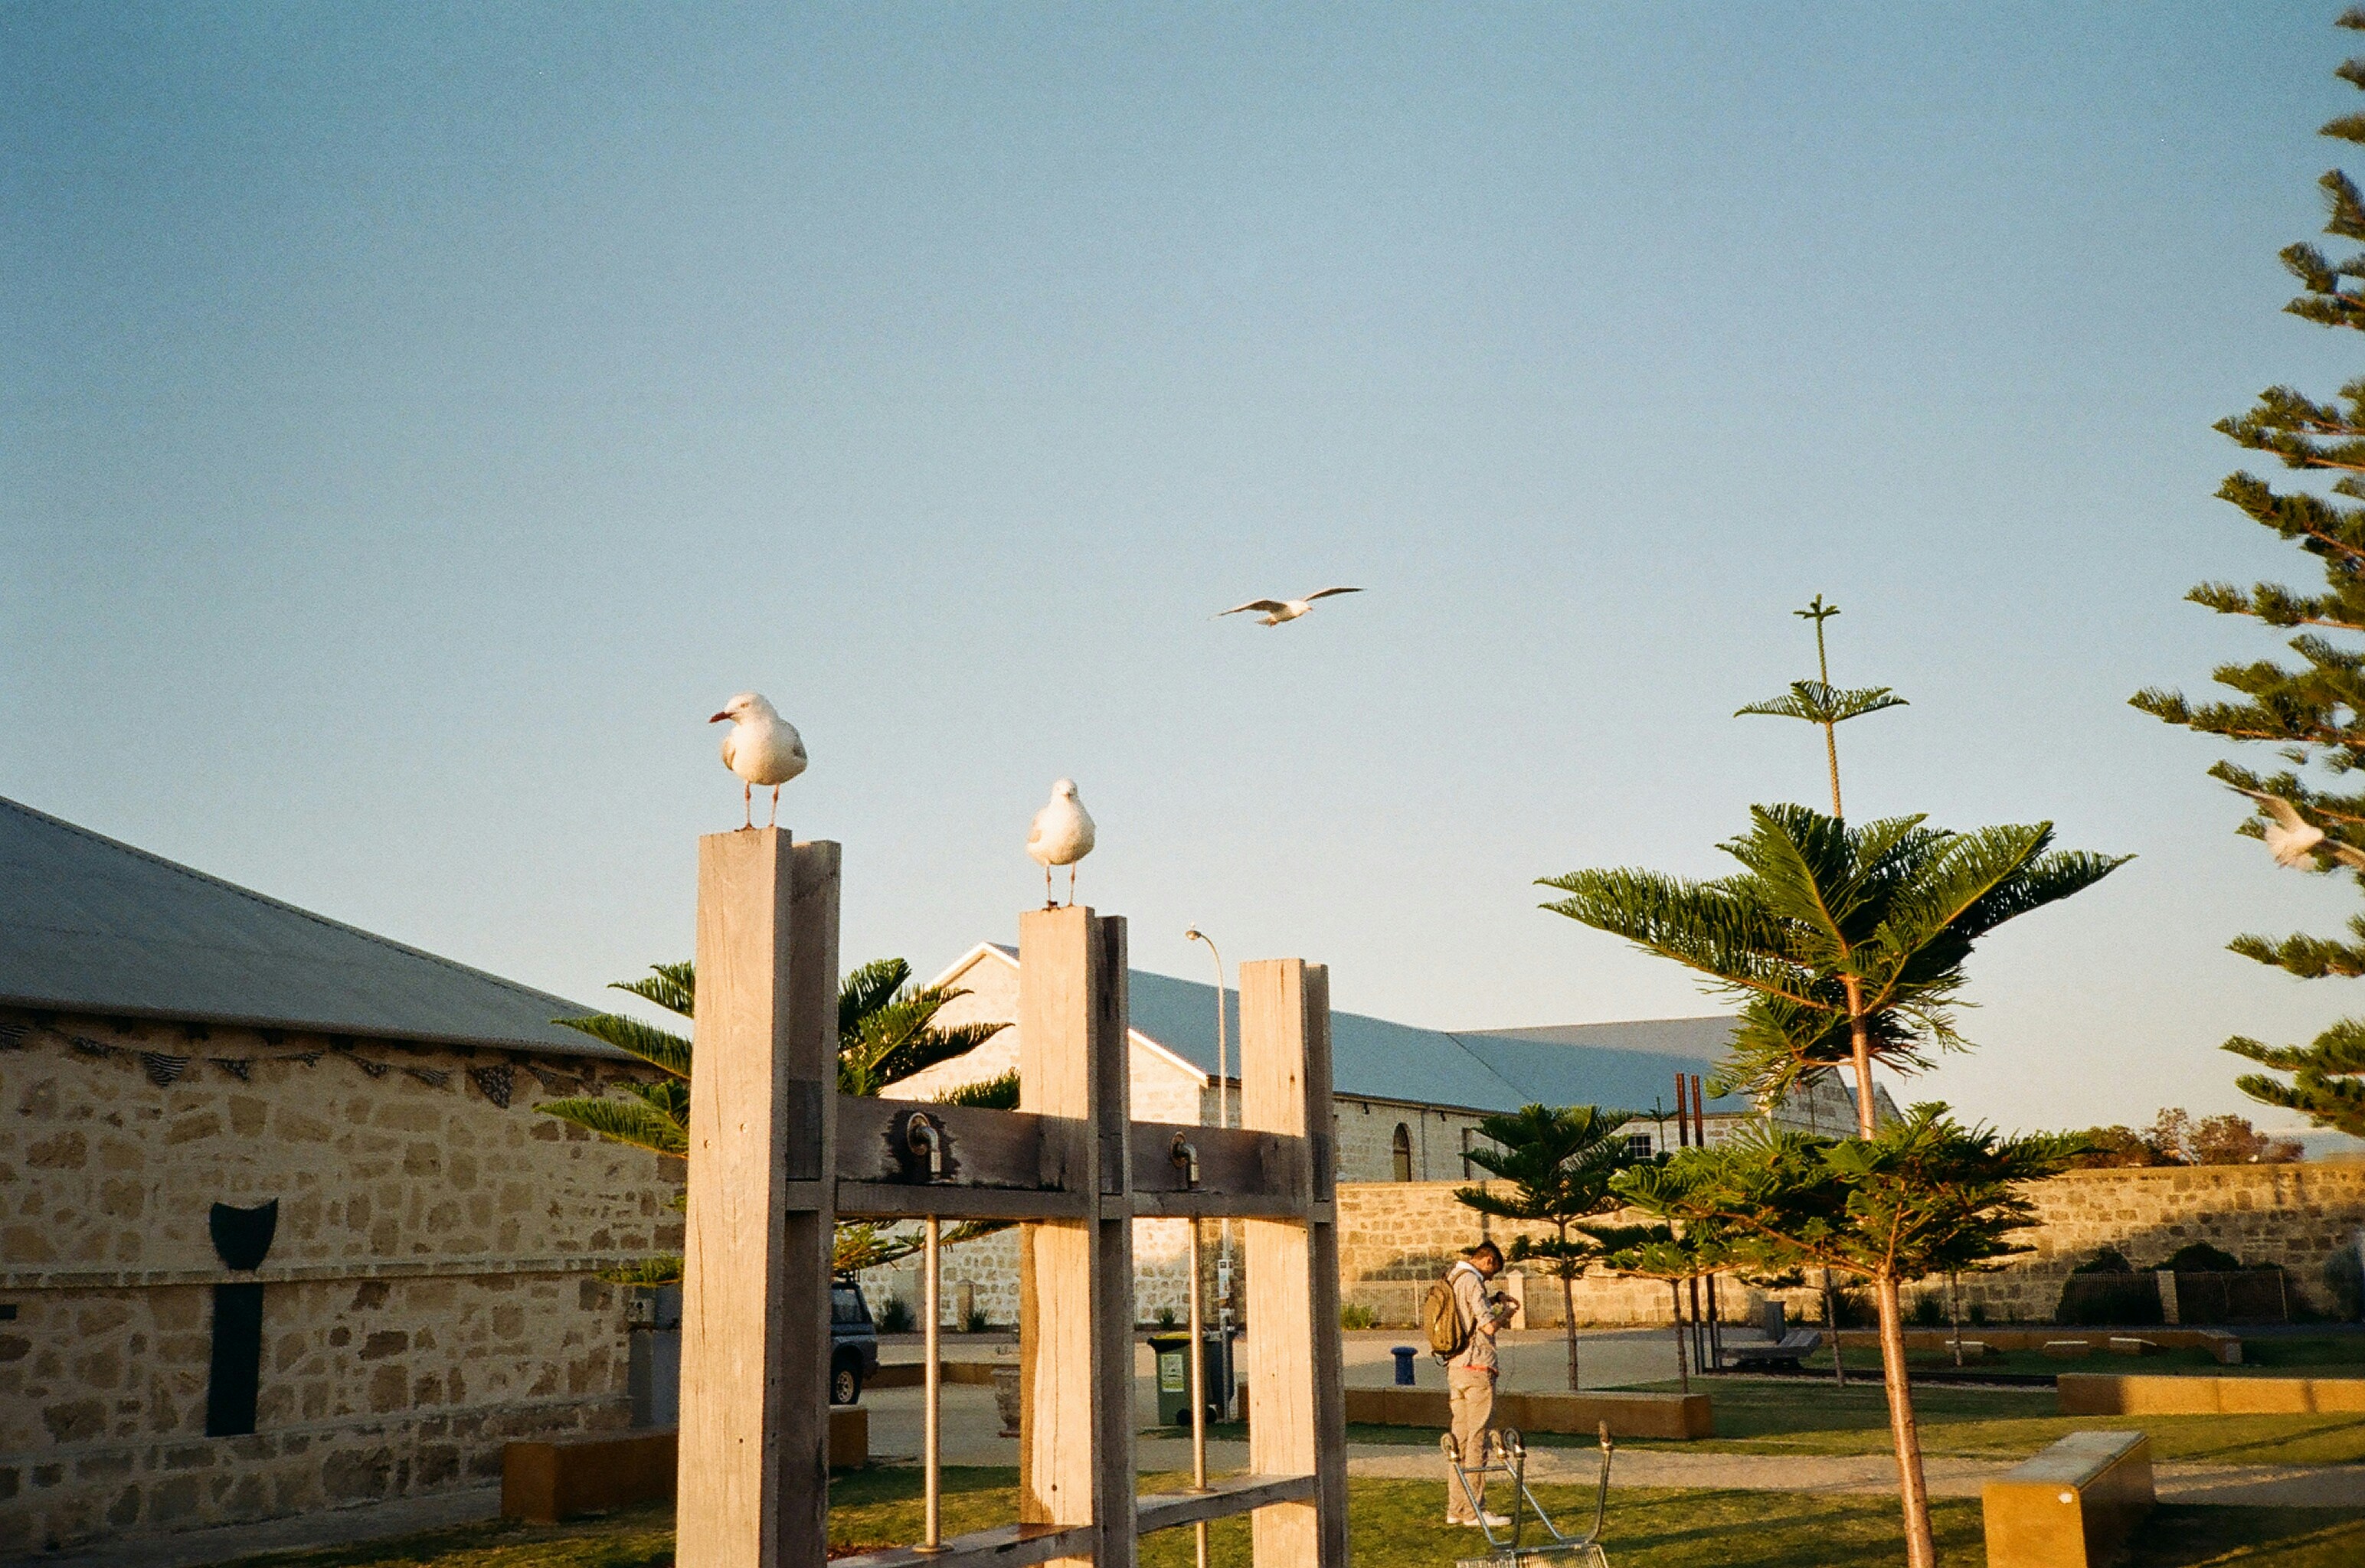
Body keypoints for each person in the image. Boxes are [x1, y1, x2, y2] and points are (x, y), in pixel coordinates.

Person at [1441, 1240, 1513, 1528]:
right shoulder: (1473, 1280)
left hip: (1455, 1367)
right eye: (1492, 1272)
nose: (1490, 1278)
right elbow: (1487, 1326)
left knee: (1458, 1441)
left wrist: (1493, 1299)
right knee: (1477, 1440)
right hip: (1477, 1366)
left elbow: (1466, 1313)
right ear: (1487, 1261)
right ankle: (1474, 1511)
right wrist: (1507, 1314)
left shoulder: (1453, 1277)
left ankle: (1456, 1509)